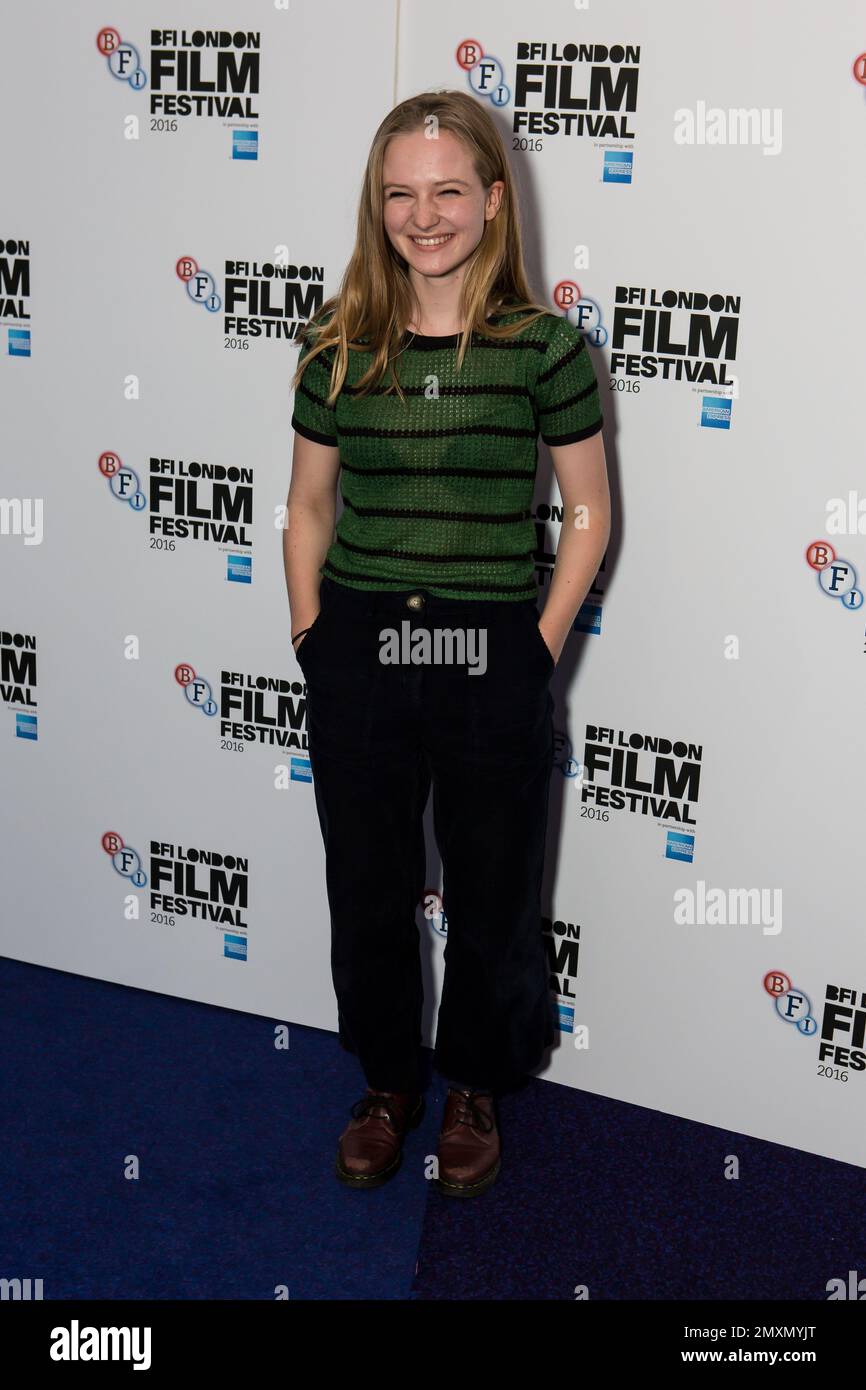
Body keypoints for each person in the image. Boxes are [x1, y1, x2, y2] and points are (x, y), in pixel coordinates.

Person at [284, 89, 610, 1198]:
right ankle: (387, 1081)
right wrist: (311, 632)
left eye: (447, 192)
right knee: (367, 886)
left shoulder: (544, 350)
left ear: (493, 201)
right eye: (400, 195)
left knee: (493, 892)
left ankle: (474, 1083)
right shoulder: (337, 347)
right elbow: (307, 506)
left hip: (488, 653)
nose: (423, 217)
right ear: (376, 207)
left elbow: (587, 514)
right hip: (361, 647)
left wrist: (536, 647)